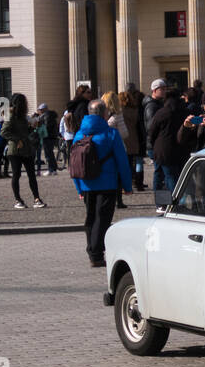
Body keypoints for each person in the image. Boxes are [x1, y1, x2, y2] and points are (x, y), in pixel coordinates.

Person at [72, 97, 133, 268]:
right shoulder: (110, 134)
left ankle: (92, 250)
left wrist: (78, 187)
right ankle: (96, 253)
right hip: (107, 183)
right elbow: (122, 162)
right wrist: (127, 186)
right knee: (102, 219)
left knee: (91, 217)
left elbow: (74, 163)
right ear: (104, 113)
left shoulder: (79, 134)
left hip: (86, 183)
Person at [1, 94, 46, 209]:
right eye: (24, 102)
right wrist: (17, 140)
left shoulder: (23, 116)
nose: (26, 104)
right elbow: (4, 132)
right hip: (15, 150)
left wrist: (33, 126)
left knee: (32, 174)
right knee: (17, 174)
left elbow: (26, 132)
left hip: (27, 148)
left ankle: (37, 198)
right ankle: (18, 199)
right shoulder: (9, 115)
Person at [147, 90, 189, 212]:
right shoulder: (184, 112)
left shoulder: (162, 112)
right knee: (177, 177)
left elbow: (152, 131)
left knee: (162, 177)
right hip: (181, 149)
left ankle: (164, 204)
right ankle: (178, 202)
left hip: (163, 150)